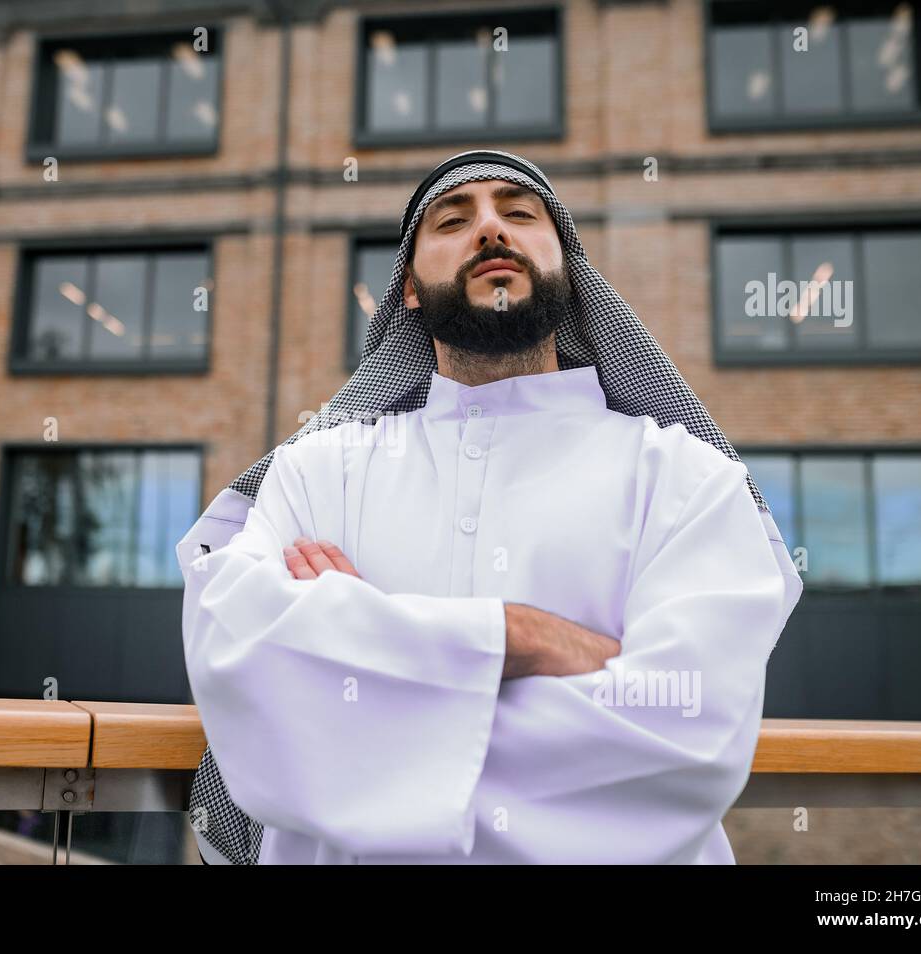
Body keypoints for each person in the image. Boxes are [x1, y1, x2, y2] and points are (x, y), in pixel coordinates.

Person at [176, 149, 803, 864]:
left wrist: (359, 651)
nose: (488, 230)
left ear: (569, 275)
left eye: (518, 213)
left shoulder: (683, 478)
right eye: (453, 219)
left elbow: (688, 732)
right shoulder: (318, 470)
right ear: (408, 288)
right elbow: (241, 660)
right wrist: (522, 637)